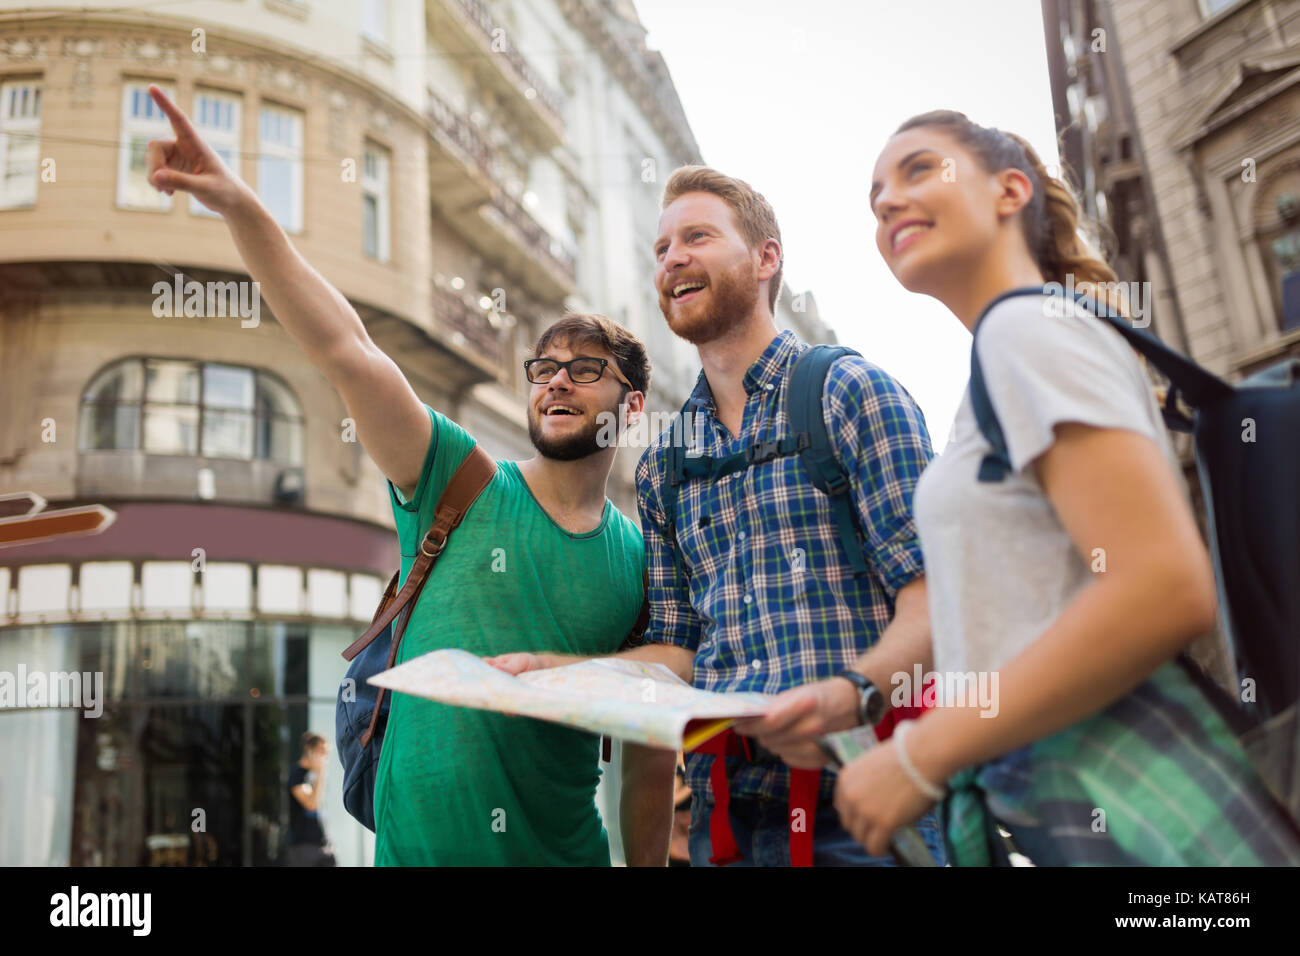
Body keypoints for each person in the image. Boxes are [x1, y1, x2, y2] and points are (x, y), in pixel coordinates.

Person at [143, 85, 676, 866]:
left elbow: (647, 747)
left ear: (630, 407)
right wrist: (239, 207)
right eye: (545, 368)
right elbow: (346, 347)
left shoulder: (641, 558)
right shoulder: (457, 480)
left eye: (584, 370)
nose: (556, 381)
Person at [817, 109, 1300, 865]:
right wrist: (850, 697)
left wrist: (922, 754)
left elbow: (1162, 587)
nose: (884, 201)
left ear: (1010, 191)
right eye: (875, 191)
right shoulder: (1023, 341)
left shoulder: (1025, 332)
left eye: (917, 170)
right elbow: (1015, 612)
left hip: (1132, 800)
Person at [491, 165, 946, 867]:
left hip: (871, 806)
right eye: (661, 248)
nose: (672, 258)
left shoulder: (850, 393)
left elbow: (941, 598)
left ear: (766, 259)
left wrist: (850, 697)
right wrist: (555, 673)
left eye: (697, 237)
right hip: (725, 822)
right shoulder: (664, 466)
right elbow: (678, 654)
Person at [288, 732, 336, 866]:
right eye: (321, 750)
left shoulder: (314, 775)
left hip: (323, 846)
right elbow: (311, 805)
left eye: (326, 752)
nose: (325, 756)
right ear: (309, 749)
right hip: (305, 849)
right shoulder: (297, 774)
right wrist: (321, 772)